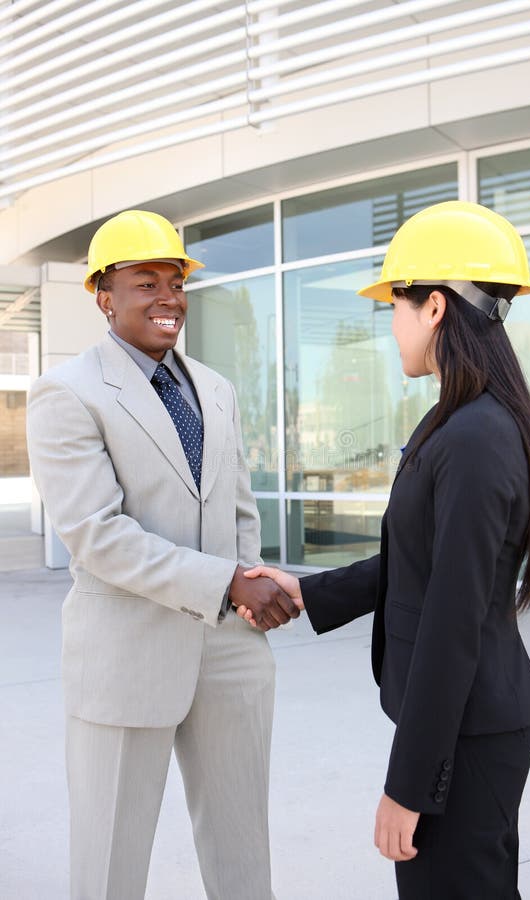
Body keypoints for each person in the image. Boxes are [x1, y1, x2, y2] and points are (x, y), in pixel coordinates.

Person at [236, 201, 530, 898]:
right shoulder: (466, 421)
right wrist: (309, 591)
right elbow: (423, 561)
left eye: (395, 304)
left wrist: (408, 789)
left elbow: (453, 622)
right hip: (471, 731)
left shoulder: (474, 436)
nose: (392, 325)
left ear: (434, 308)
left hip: (465, 743)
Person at [26, 209, 298, 900]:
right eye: (145, 282)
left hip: (229, 651)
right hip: (126, 654)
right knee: (110, 864)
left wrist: (248, 587)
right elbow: (96, 533)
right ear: (103, 296)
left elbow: (238, 509)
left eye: (176, 281)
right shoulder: (66, 393)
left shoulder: (215, 388)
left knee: (244, 854)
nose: (168, 297)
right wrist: (228, 580)